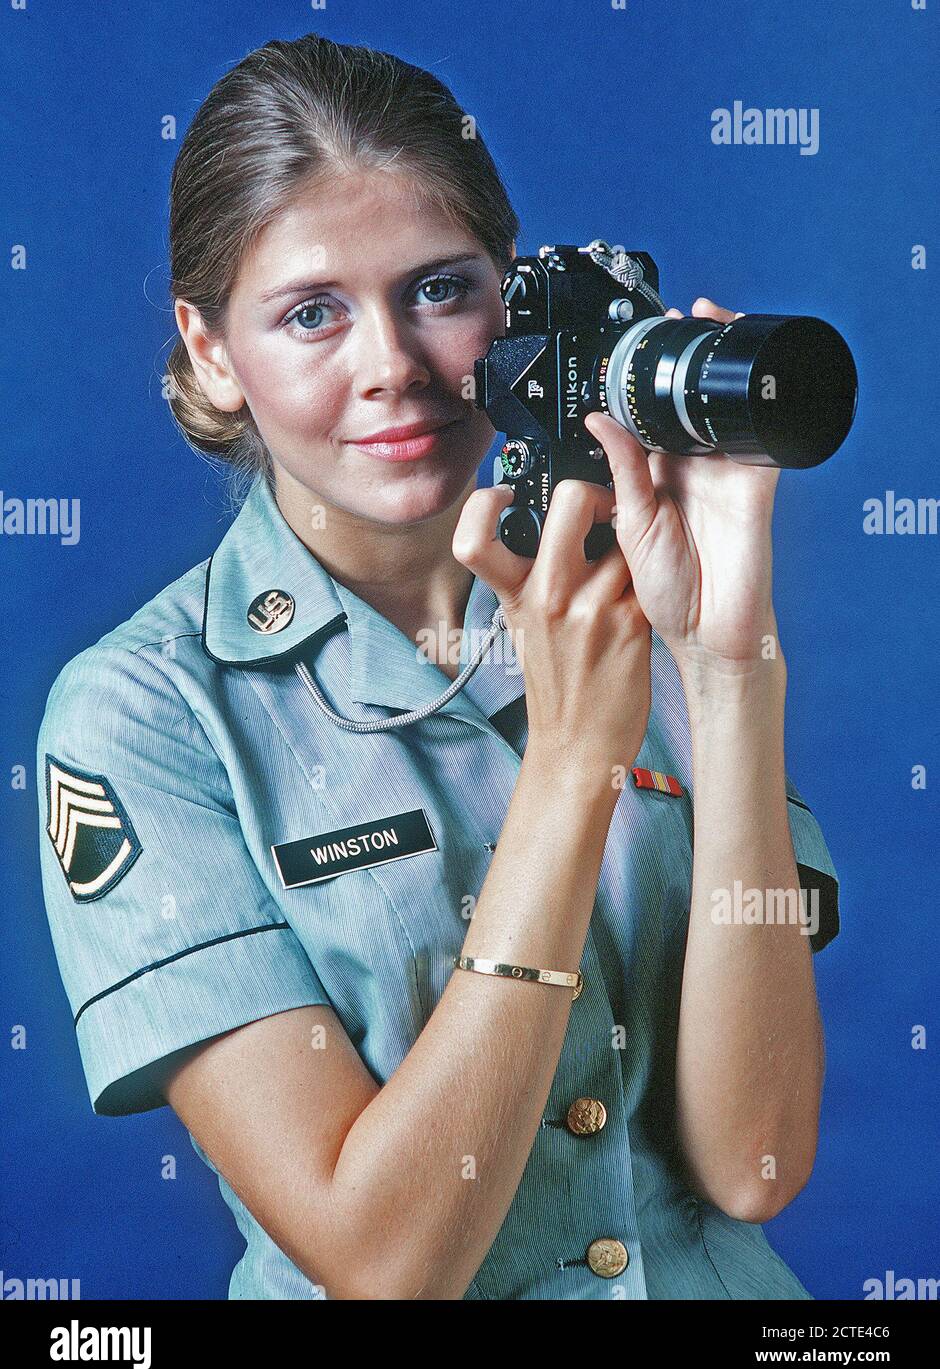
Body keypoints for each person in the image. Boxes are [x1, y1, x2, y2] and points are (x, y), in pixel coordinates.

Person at [36, 32, 841, 1301]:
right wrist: (569, 762)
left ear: (510, 301)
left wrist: (729, 667)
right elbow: (384, 1261)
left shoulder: (634, 595)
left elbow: (754, 1162)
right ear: (211, 351)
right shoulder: (144, 715)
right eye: (312, 313)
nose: (394, 369)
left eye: (438, 290)